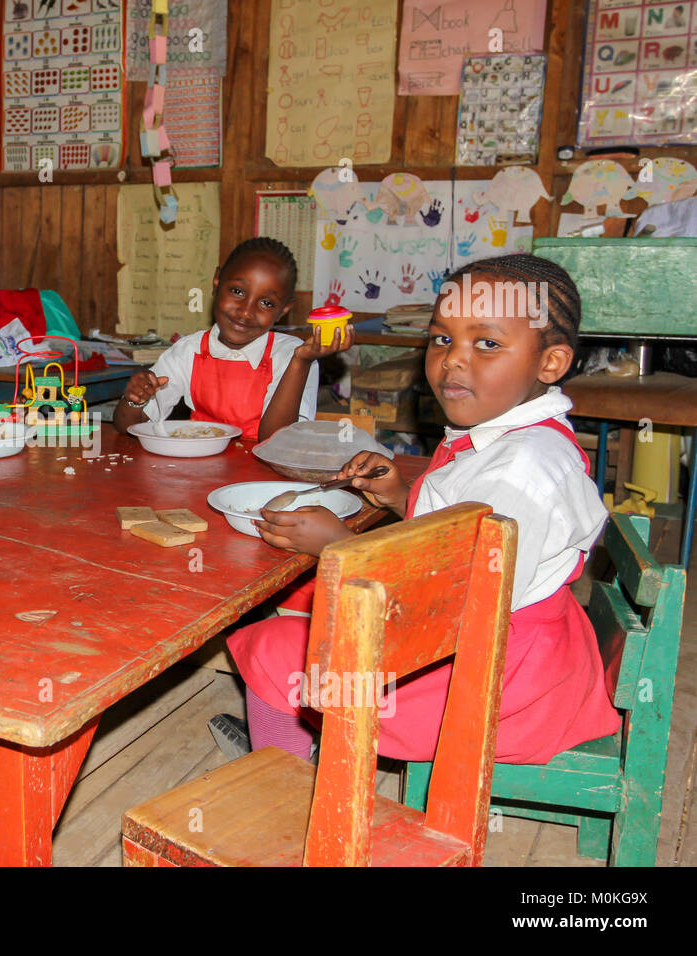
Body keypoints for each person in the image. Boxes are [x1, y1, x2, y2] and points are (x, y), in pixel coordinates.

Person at [218, 254, 620, 765]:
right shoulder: (506, 440)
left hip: (491, 690)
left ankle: (285, 782)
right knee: (309, 611)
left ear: (550, 363)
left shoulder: (523, 471)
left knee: (282, 649)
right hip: (508, 657)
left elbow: (452, 603)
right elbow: (459, 534)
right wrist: (401, 496)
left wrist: (343, 547)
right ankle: (298, 739)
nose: (453, 359)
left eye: (488, 343)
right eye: (442, 338)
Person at [112, 237, 351, 442]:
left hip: (264, 486)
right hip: (195, 477)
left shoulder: (292, 357)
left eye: (266, 303)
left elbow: (277, 442)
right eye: (237, 291)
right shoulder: (189, 351)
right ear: (217, 282)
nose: (246, 312)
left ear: (284, 310)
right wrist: (135, 400)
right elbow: (129, 427)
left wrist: (300, 363)